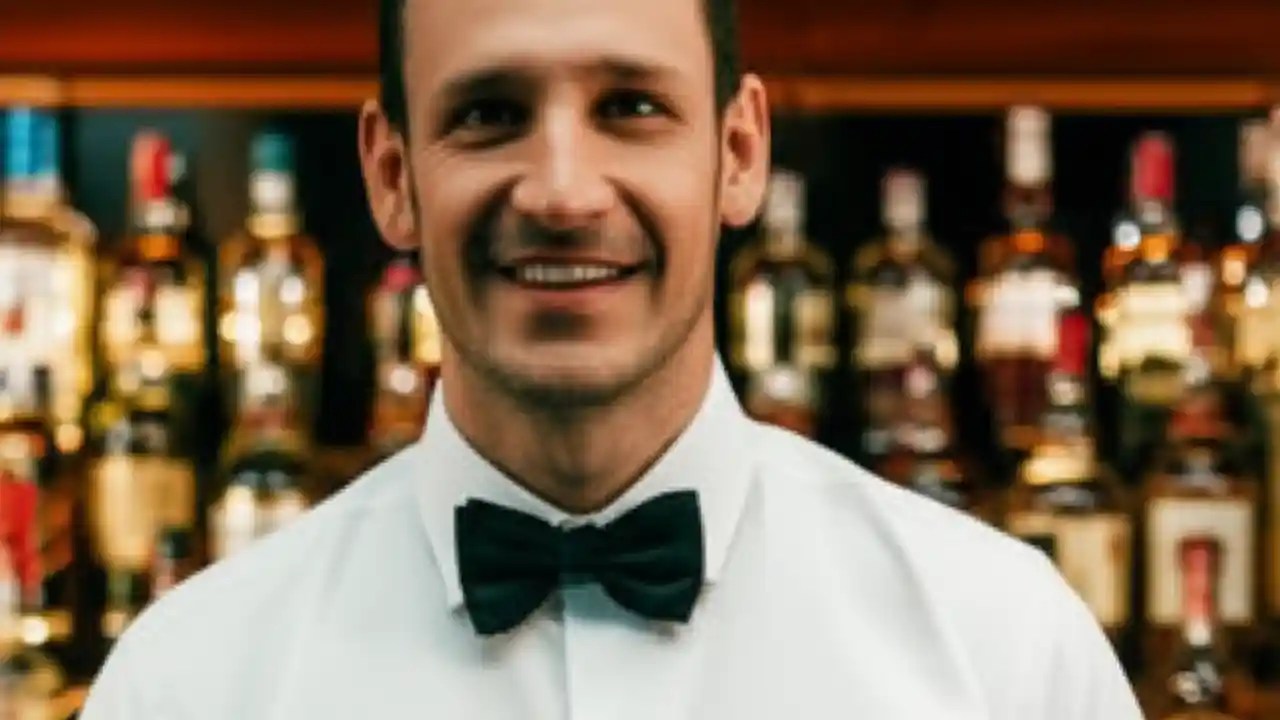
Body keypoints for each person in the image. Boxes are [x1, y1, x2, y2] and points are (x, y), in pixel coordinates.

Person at [80, 0, 1145, 716]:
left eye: (631, 108)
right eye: (489, 114)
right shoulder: (187, 685)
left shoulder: (1004, 650)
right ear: (393, 177)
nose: (562, 192)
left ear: (737, 153)